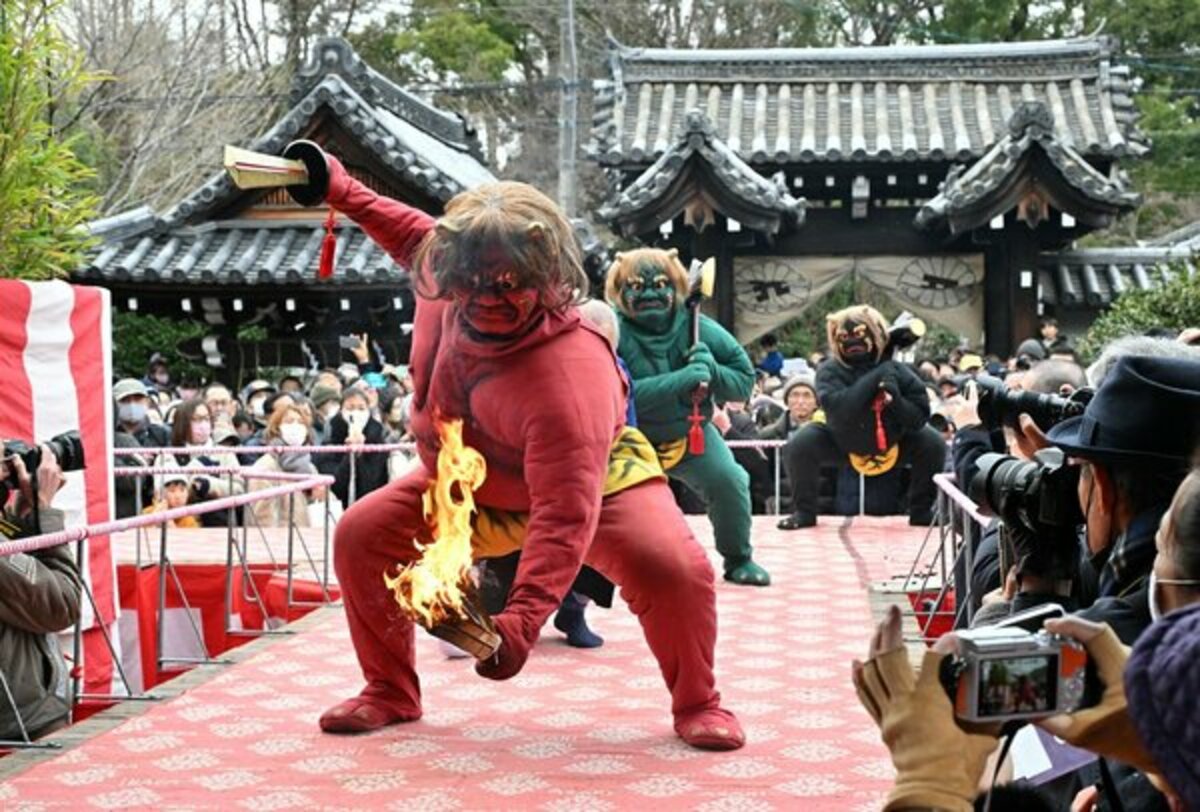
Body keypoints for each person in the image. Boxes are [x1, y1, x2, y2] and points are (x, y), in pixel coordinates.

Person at [282, 139, 744, 750]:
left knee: (674, 569)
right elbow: (411, 232)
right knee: (362, 536)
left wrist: (522, 623)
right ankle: (389, 689)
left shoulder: (567, 374)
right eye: (474, 280)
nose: (490, 296)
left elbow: (563, 514)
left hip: (598, 479)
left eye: (510, 282)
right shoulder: (448, 273)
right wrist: (339, 188)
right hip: (464, 481)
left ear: (549, 276)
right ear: (451, 271)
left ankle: (699, 700)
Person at [605, 248, 770, 586]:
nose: (650, 293)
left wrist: (712, 371)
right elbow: (617, 396)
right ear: (619, 291)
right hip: (630, 439)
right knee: (607, 503)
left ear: (677, 286)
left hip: (690, 431)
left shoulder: (698, 325)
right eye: (637, 286)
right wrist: (681, 379)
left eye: (661, 284)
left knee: (729, 481)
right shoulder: (611, 331)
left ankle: (739, 557)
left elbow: (743, 383)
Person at [778, 305, 945, 530]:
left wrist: (896, 401)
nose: (851, 341)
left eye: (858, 335)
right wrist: (876, 376)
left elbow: (918, 416)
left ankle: (921, 510)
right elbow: (841, 409)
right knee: (800, 443)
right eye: (844, 337)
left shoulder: (897, 370)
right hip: (842, 440)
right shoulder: (829, 371)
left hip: (894, 438)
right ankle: (804, 512)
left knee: (932, 442)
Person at [0, 445, 80, 741]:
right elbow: (63, 604)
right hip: (24, 723)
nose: (10, 467)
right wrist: (45, 512)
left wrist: (22, 518)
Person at [163, 398, 245, 527]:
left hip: (220, 526)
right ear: (183, 423)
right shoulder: (168, 455)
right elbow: (163, 491)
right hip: (181, 527)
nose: (203, 424)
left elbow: (239, 489)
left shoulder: (224, 453)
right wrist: (193, 477)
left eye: (206, 419)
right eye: (196, 419)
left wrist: (209, 485)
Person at [317, 387, 389, 508]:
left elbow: (374, 483)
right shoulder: (330, 443)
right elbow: (337, 486)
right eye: (350, 408)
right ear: (341, 411)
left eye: (361, 408)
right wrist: (350, 454)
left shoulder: (379, 443)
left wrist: (361, 452)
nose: (356, 413)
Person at [249, 404, 319, 527]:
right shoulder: (265, 468)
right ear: (277, 428)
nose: (296, 426)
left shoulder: (310, 467)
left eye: (301, 423)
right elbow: (262, 518)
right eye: (289, 421)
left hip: (307, 540)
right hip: (280, 543)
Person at [113, 378, 170, 449]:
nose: (132, 404)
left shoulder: (162, 434)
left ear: (147, 402)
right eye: (125, 400)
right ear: (114, 405)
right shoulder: (108, 437)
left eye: (138, 399)